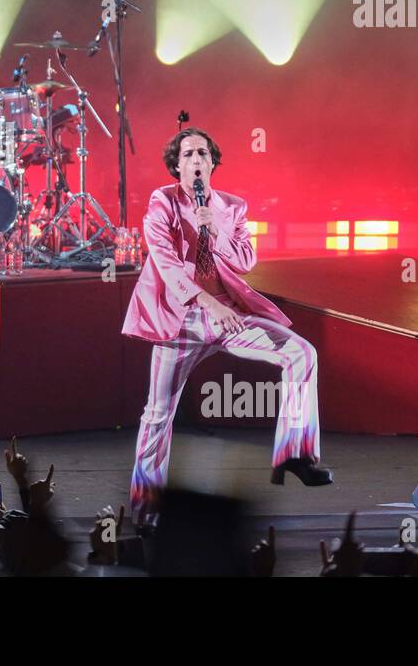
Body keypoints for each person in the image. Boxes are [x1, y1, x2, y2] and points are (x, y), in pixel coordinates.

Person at [123, 127, 332, 529]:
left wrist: (215, 230)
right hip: (181, 319)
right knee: (157, 414)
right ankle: (146, 508)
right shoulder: (162, 202)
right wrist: (207, 302)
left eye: (203, 153)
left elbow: (246, 259)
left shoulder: (232, 207)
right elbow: (165, 264)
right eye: (187, 154)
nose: (196, 160)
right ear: (177, 165)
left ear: (213, 163)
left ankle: (296, 454)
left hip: (230, 317)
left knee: (302, 353)